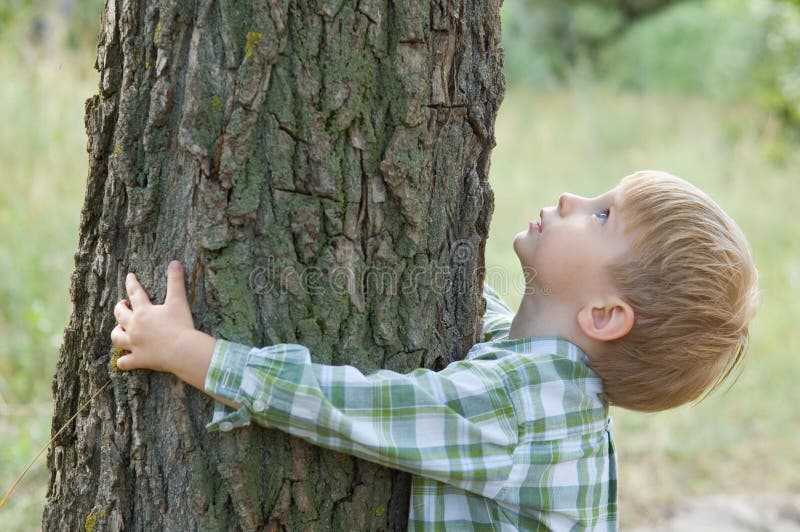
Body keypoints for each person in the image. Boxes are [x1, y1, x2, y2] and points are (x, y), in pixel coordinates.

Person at [109, 170, 758, 530]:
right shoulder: (547, 379)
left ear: (606, 315)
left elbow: (352, 406)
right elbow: (496, 322)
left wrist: (192, 352)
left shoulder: (524, 406)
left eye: (601, 217)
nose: (569, 198)